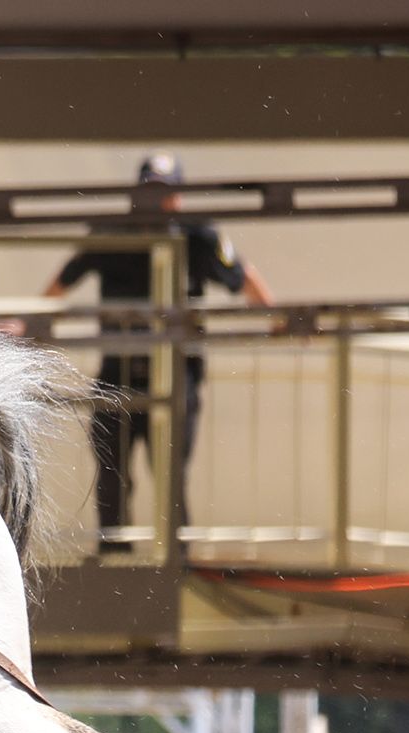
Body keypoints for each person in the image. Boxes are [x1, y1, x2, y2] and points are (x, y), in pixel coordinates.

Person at [39, 151, 274, 550]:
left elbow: (242, 274)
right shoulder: (113, 233)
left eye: (165, 192)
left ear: (179, 195)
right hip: (117, 374)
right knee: (111, 476)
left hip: (177, 374)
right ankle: (114, 561)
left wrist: (280, 318)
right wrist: (26, 324)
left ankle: (177, 566)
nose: (157, 201)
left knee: (170, 478)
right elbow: (62, 281)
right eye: (149, 191)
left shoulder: (197, 235)